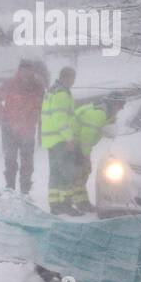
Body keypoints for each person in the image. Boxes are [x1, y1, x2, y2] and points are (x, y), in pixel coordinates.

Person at [0, 59, 45, 195]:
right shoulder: (10, 85)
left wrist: (37, 116)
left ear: (32, 71)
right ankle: (10, 190)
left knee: (27, 163)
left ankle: (25, 192)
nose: (26, 73)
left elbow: (42, 106)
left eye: (29, 70)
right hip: (9, 129)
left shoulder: (38, 87)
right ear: (19, 71)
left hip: (28, 130)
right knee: (10, 161)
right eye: (23, 70)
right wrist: (3, 115)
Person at [70, 94, 126, 213]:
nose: (120, 110)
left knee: (82, 172)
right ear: (113, 105)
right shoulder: (99, 114)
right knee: (81, 172)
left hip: (75, 143)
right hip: (74, 143)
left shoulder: (102, 111)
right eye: (119, 107)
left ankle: (81, 201)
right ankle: (79, 201)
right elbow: (87, 136)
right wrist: (85, 155)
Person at [40, 66, 80, 215]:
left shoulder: (51, 91)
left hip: (50, 139)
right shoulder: (62, 94)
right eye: (73, 79)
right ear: (67, 78)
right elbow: (60, 119)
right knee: (66, 172)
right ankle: (65, 204)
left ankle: (55, 204)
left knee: (55, 172)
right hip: (60, 140)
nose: (73, 82)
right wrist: (69, 138)